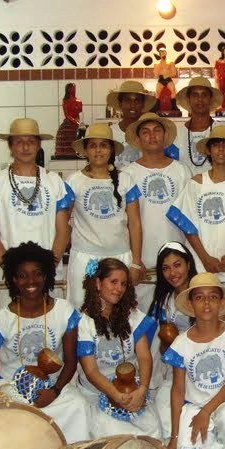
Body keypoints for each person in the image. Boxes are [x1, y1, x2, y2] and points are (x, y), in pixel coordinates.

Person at [0, 242, 88, 443]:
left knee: (77, 405)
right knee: (14, 413)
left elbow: (71, 361)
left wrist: (54, 392)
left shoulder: (64, 311)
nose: (31, 281)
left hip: (53, 385)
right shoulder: (1, 320)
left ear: (46, 276)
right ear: (14, 279)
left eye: (38, 274)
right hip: (11, 387)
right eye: (23, 275)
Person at [0, 118, 73, 308]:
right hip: (10, 277)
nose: (25, 147)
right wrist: (13, 272)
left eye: (31, 141)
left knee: (51, 329)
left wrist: (46, 271)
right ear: (10, 146)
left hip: (48, 275)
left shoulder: (55, 183)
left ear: (39, 145)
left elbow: (63, 231)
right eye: (19, 141)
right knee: (12, 330)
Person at [167, 125, 225, 327]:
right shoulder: (195, 184)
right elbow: (188, 227)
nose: (221, 150)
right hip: (202, 267)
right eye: (216, 145)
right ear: (208, 150)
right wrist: (205, 258)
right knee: (205, 328)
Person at [162, 273, 225, 449]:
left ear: (221, 302)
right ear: (190, 305)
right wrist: (174, 437)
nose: (206, 303)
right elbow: (178, 390)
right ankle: (208, 438)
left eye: (213, 297)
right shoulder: (181, 342)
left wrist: (207, 412)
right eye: (199, 297)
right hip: (195, 405)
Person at [77, 258, 161, 438]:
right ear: (98, 283)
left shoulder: (133, 316)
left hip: (132, 388)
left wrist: (142, 389)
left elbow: (145, 357)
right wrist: (116, 395)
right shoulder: (84, 322)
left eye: (123, 284)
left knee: (153, 430)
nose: (119, 289)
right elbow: (91, 371)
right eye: (113, 282)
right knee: (116, 434)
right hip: (98, 391)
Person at [65, 122, 144, 309]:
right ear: (85, 150)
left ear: (111, 150)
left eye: (103, 145)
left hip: (120, 258)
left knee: (120, 313)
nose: (98, 151)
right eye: (92, 145)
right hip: (84, 260)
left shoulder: (126, 180)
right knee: (83, 312)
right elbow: (61, 223)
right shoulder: (73, 181)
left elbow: (135, 224)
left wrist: (136, 263)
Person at [121, 113, 191, 311]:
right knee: (143, 324)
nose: (152, 136)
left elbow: (189, 217)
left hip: (176, 265)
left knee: (176, 321)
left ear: (165, 135)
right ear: (138, 138)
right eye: (146, 132)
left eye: (157, 131)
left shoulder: (181, 171)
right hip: (142, 263)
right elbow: (126, 221)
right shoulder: (127, 174)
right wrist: (134, 261)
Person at [147, 241, 199, 437]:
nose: (172, 273)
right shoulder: (165, 301)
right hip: (178, 369)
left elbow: (222, 333)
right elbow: (164, 351)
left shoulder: (204, 291)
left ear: (188, 264)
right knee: (162, 408)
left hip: (205, 364)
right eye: (166, 268)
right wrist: (170, 342)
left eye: (177, 265)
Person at [175, 76, 224, 176]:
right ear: (188, 99)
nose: (200, 99)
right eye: (195, 95)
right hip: (185, 189)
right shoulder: (176, 135)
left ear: (211, 99)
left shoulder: (222, 132)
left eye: (204, 95)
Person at [106, 81, 158, 168]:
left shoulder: (151, 134)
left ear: (143, 104)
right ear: (120, 103)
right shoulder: (110, 133)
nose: (132, 105)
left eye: (137, 100)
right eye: (127, 100)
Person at [154, 43, 180, 116]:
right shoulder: (156, 63)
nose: (162, 53)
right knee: (158, 92)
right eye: (161, 52)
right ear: (159, 54)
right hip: (161, 79)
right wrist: (160, 73)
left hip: (168, 78)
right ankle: (157, 107)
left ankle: (174, 106)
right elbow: (156, 73)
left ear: (166, 52)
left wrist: (167, 74)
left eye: (163, 52)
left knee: (173, 91)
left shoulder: (170, 62)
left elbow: (174, 72)